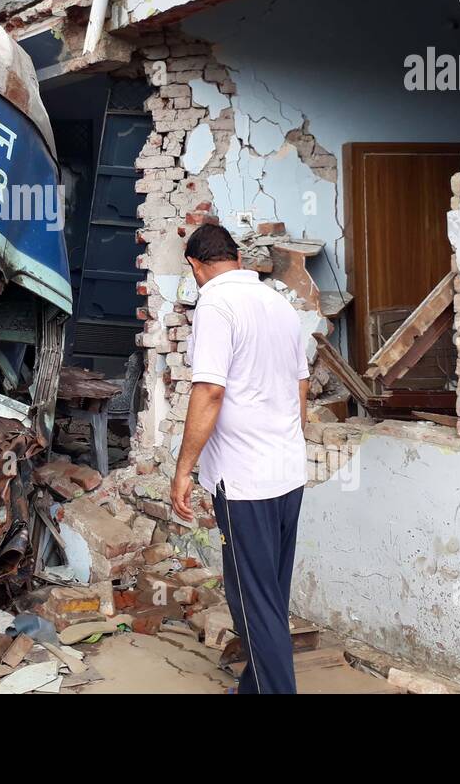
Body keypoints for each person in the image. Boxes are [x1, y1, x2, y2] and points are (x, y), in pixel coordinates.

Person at [170, 223, 309, 694]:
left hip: (246, 480)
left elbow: (209, 389)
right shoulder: (278, 302)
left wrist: (183, 469)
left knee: (251, 598)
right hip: (288, 472)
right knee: (270, 593)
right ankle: (255, 687)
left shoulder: (215, 303)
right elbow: (301, 385)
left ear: (196, 264)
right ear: (235, 257)